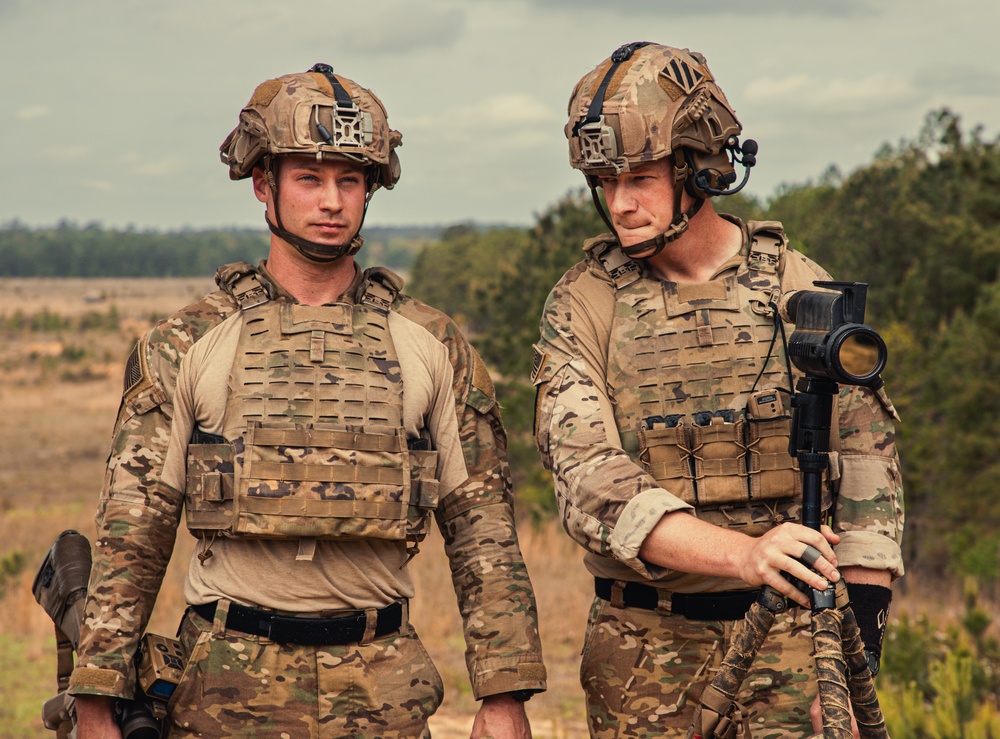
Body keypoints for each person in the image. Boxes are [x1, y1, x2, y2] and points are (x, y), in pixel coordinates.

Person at [67, 63, 546, 739]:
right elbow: (133, 533)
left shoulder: (432, 342)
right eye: (309, 178)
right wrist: (96, 696)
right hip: (223, 685)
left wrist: (504, 693)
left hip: (381, 685)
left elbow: (483, 532)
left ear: (370, 190)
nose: (331, 201)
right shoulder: (187, 342)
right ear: (263, 184)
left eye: (349, 180)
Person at [531, 42, 903, 738]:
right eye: (604, 180)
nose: (619, 203)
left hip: (796, 652)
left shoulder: (798, 286)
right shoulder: (584, 303)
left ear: (700, 168)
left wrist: (858, 667)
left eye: (639, 177)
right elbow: (589, 481)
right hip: (643, 654)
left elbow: (868, 478)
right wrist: (744, 554)